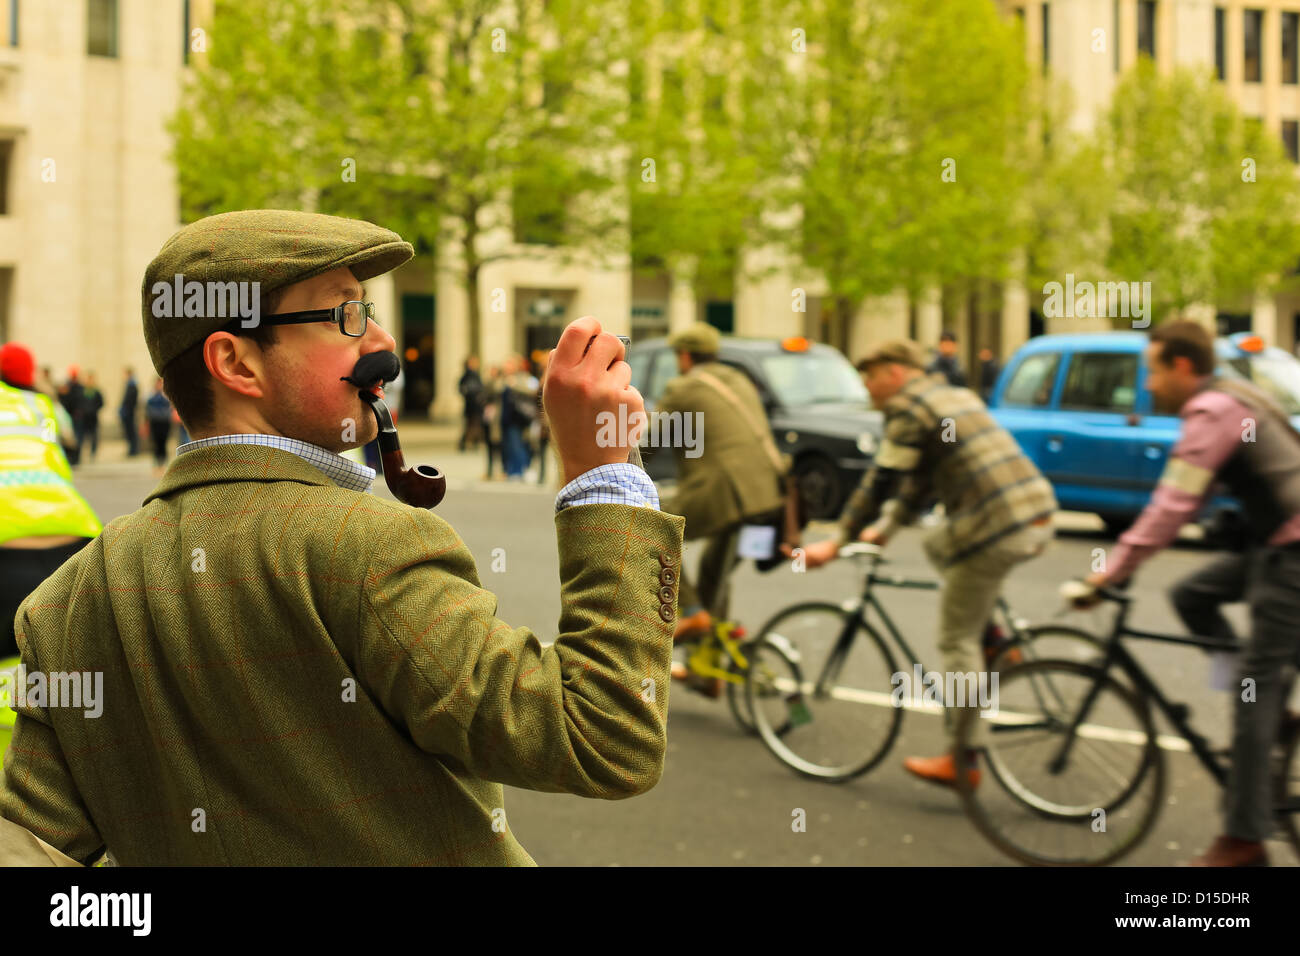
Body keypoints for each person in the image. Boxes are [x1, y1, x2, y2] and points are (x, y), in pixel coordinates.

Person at [0, 208, 682, 866]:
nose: (382, 343)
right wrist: (604, 477)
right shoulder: (370, 546)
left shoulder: (67, 600)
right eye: (346, 316)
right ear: (236, 363)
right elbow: (604, 737)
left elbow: (29, 849)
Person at [1079, 320, 1300, 867]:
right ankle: (1269, 713)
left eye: (1152, 371)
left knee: (1256, 681)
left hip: (1291, 552)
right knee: (1192, 594)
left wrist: (1109, 571)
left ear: (1182, 367)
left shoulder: (1213, 410)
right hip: (1273, 539)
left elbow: (1173, 504)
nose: (1148, 385)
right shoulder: (1236, 393)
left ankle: (1243, 838)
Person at [796, 340, 1056, 786]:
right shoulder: (954, 394)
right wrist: (888, 528)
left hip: (993, 526)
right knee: (938, 546)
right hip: (1034, 510)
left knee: (957, 641)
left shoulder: (907, 407)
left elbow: (883, 480)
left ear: (895, 372)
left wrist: (838, 541)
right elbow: (918, 482)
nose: (868, 390)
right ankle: (998, 642)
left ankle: (964, 758)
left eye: (871, 378)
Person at [656, 322, 784, 697]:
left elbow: (648, 440)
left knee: (651, 526)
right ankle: (707, 673)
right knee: (715, 573)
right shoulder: (740, 380)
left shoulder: (684, 386)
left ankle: (692, 613)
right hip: (770, 499)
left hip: (729, 496)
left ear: (683, 356)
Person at [0, 343, 102, 660]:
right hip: (75, 540)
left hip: (8, 544)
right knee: (63, 667)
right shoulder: (42, 405)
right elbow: (65, 447)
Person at [500, 355, 539, 480]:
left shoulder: (523, 378)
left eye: (509, 365)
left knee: (518, 445)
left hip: (518, 419)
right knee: (508, 447)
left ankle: (519, 471)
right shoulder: (504, 379)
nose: (507, 368)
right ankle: (511, 470)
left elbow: (532, 392)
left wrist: (514, 385)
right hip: (505, 419)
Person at [58, 367, 85, 466]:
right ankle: (72, 457)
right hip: (68, 415)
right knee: (70, 437)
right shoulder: (67, 387)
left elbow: (81, 401)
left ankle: (76, 458)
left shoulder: (80, 387)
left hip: (77, 416)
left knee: (77, 437)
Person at [144, 378, 173, 472]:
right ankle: (157, 464)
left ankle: (163, 463)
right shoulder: (151, 397)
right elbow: (148, 411)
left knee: (163, 443)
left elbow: (169, 409)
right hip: (155, 423)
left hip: (164, 423)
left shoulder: (166, 396)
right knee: (156, 444)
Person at [458, 355, 485, 451]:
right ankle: (466, 443)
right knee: (470, 424)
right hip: (471, 404)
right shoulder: (467, 376)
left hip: (477, 405)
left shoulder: (476, 375)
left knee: (476, 424)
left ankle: (473, 442)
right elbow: (462, 389)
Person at [78, 372, 104, 462]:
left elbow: (101, 403)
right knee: (82, 436)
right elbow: (79, 402)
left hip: (93, 417)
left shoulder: (96, 392)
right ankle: (80, 453)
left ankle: (93, 452)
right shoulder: (82, 391)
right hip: (84, 417)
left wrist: (94, 409)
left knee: (94, 435)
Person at [119, 366, 140, 457]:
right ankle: (132, 449)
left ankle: (133, 450)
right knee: (129, 432)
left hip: (129, 413)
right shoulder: (130, 385)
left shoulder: (132, 385)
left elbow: (129, 400)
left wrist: (126, 410)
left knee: (131, 431)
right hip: (128, 412)